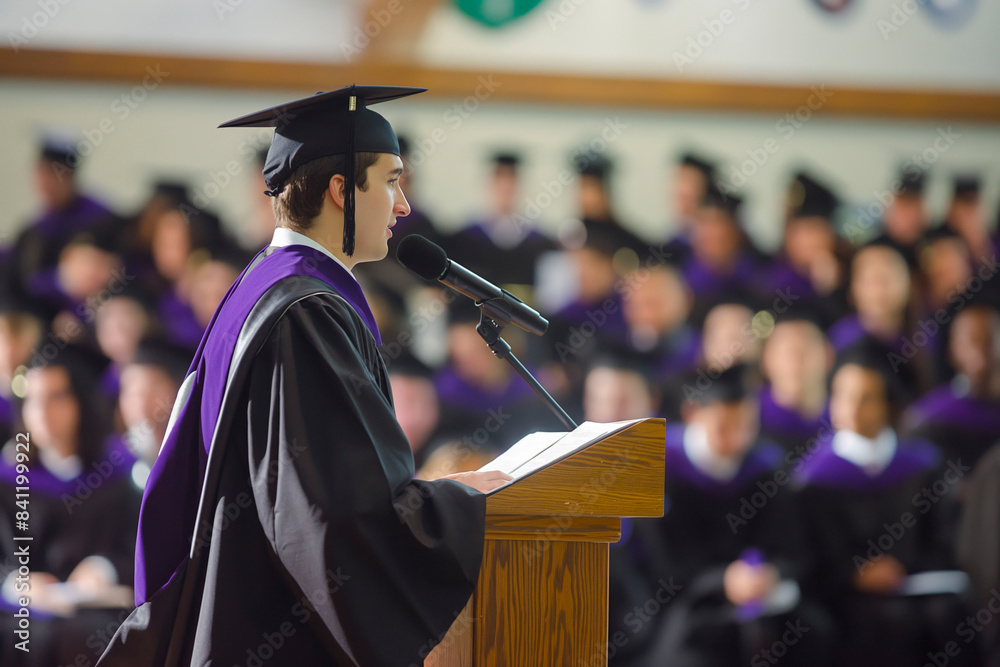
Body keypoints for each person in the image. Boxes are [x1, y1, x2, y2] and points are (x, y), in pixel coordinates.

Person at [98, 85, 511, 666]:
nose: (403, 205)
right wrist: (457, 503)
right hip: (273, 628)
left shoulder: (261, 285)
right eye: (391, 181)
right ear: (342, 191)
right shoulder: (306, 311)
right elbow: (334, 515)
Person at [793, 341, 982, 667]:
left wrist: (905, 568)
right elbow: (806, 556)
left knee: (952, 615)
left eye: (866, 398)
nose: (852, 409)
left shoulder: (922, 467)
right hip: (846, 599)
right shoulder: (812, 477)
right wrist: (853, 571)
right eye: (843, 396)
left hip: (918, 587)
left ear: (888, 404)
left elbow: (942, 538)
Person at [0, 344, 141, 666]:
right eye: (33, 400)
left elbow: (138, 547)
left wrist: (105, 568)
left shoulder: (116, 476)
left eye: (56, 397)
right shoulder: (7, 482)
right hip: (21, 617)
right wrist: (15, 583)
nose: (43, 412)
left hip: (98, 615)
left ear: (81, 402)